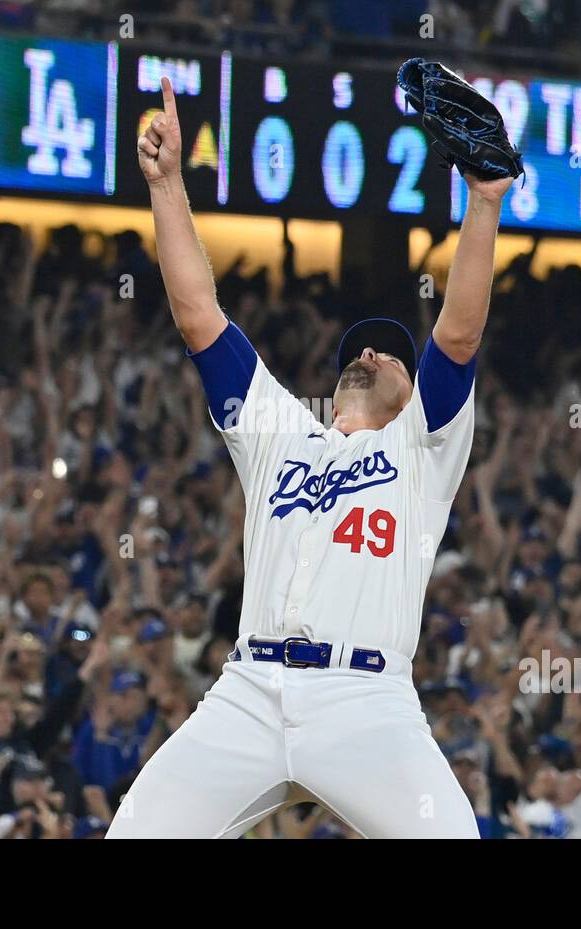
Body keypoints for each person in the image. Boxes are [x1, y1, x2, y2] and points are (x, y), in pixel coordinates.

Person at [108, 75, 513, 838]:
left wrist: (484, 202)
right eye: (361, 347)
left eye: (392, 355)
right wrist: (166, 186)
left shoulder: (422, 440)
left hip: (365, 701)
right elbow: (200, 317)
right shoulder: (281, 433)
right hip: (250, 688)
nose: (372, 352)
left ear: (410, 384)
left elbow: (456, 336)